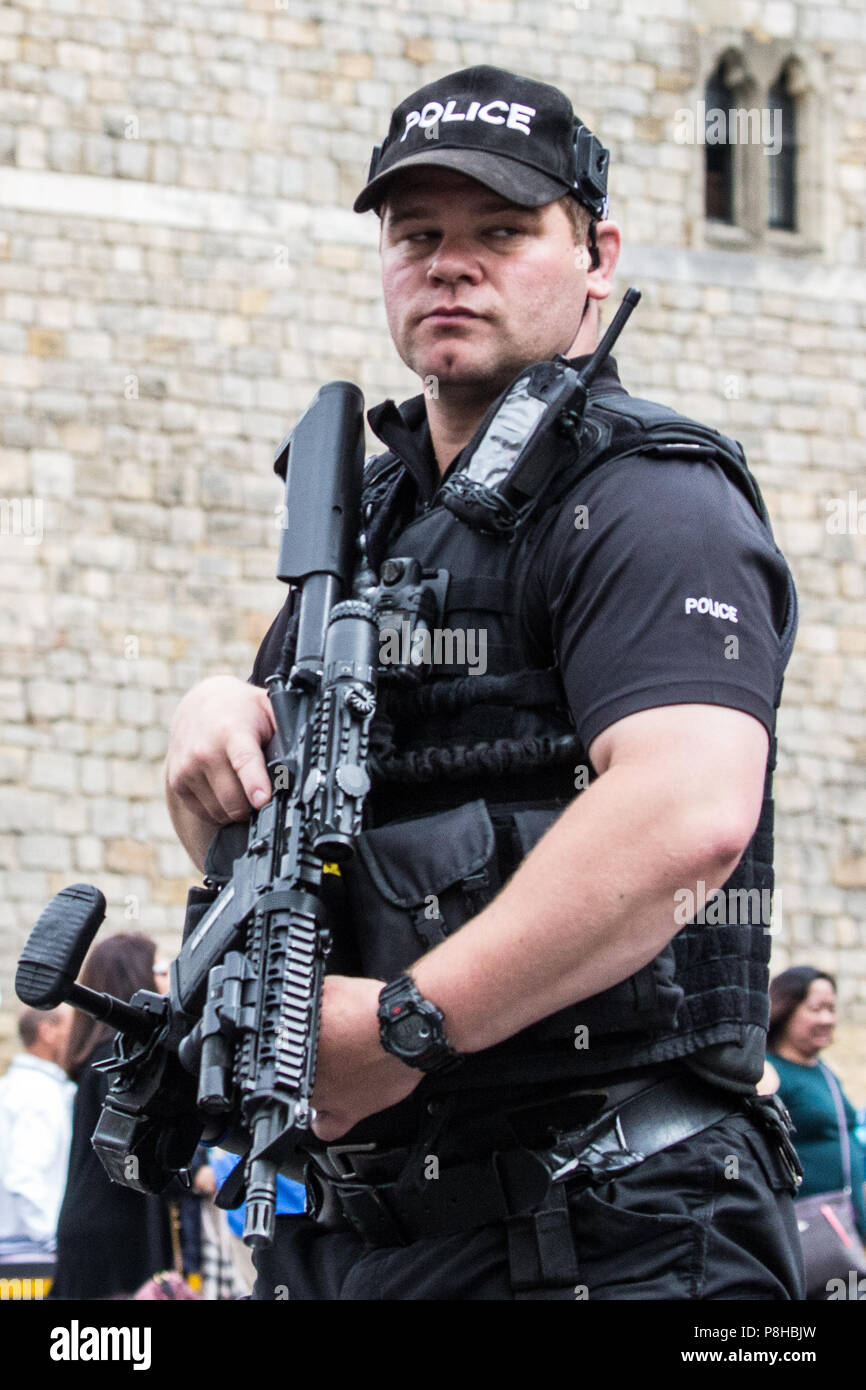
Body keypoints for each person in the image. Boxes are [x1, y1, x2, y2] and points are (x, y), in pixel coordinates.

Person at [165, 66, 804, 1299]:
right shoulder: (366, 534)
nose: (449, 264)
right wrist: (209, 734)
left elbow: (687, 817)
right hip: (375, 1243)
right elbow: (255, 846)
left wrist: (403, 1025)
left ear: (594, 253)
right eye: (419, 236)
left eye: (502, 231)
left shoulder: (648, 497)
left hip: (612, 1237)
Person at [49, 934, 174, 1300]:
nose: (168, 979)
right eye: (159, 969)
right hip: (114, 1235)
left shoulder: (104, 1057)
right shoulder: (116, 1060)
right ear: (134, 976)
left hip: (98, 1225)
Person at [767, 967, 866, 1241]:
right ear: (787, 1009)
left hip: (847, 1227)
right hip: (806, 1231)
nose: (828, 1019)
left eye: (832, 1009)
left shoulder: (824, 1070)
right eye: (817, 1008)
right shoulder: (770, 1073)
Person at [0, 1005, 74, 1271]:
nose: (77, 1035)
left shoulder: (18, 1086)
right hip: (32, 1259)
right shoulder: (38, 1094)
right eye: (71, 1026)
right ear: (47, 1032)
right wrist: (54, 1239)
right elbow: (24, 1177)